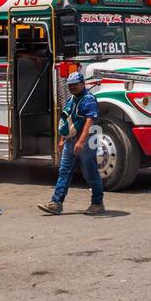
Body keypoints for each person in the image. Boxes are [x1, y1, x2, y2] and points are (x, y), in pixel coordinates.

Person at [38, 72, 105, 215]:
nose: (72, 87)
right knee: (64, 171)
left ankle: (97, 203)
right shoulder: (72, 99)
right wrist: (62, 139)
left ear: (82, 84)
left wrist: (81, 142)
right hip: (71, 141)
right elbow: (67, 120)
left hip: (86, 141)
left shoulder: (89, 99)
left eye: (75, 84)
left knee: (90, 172)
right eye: (70, 85)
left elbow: (89, 121)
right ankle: (56, 203)